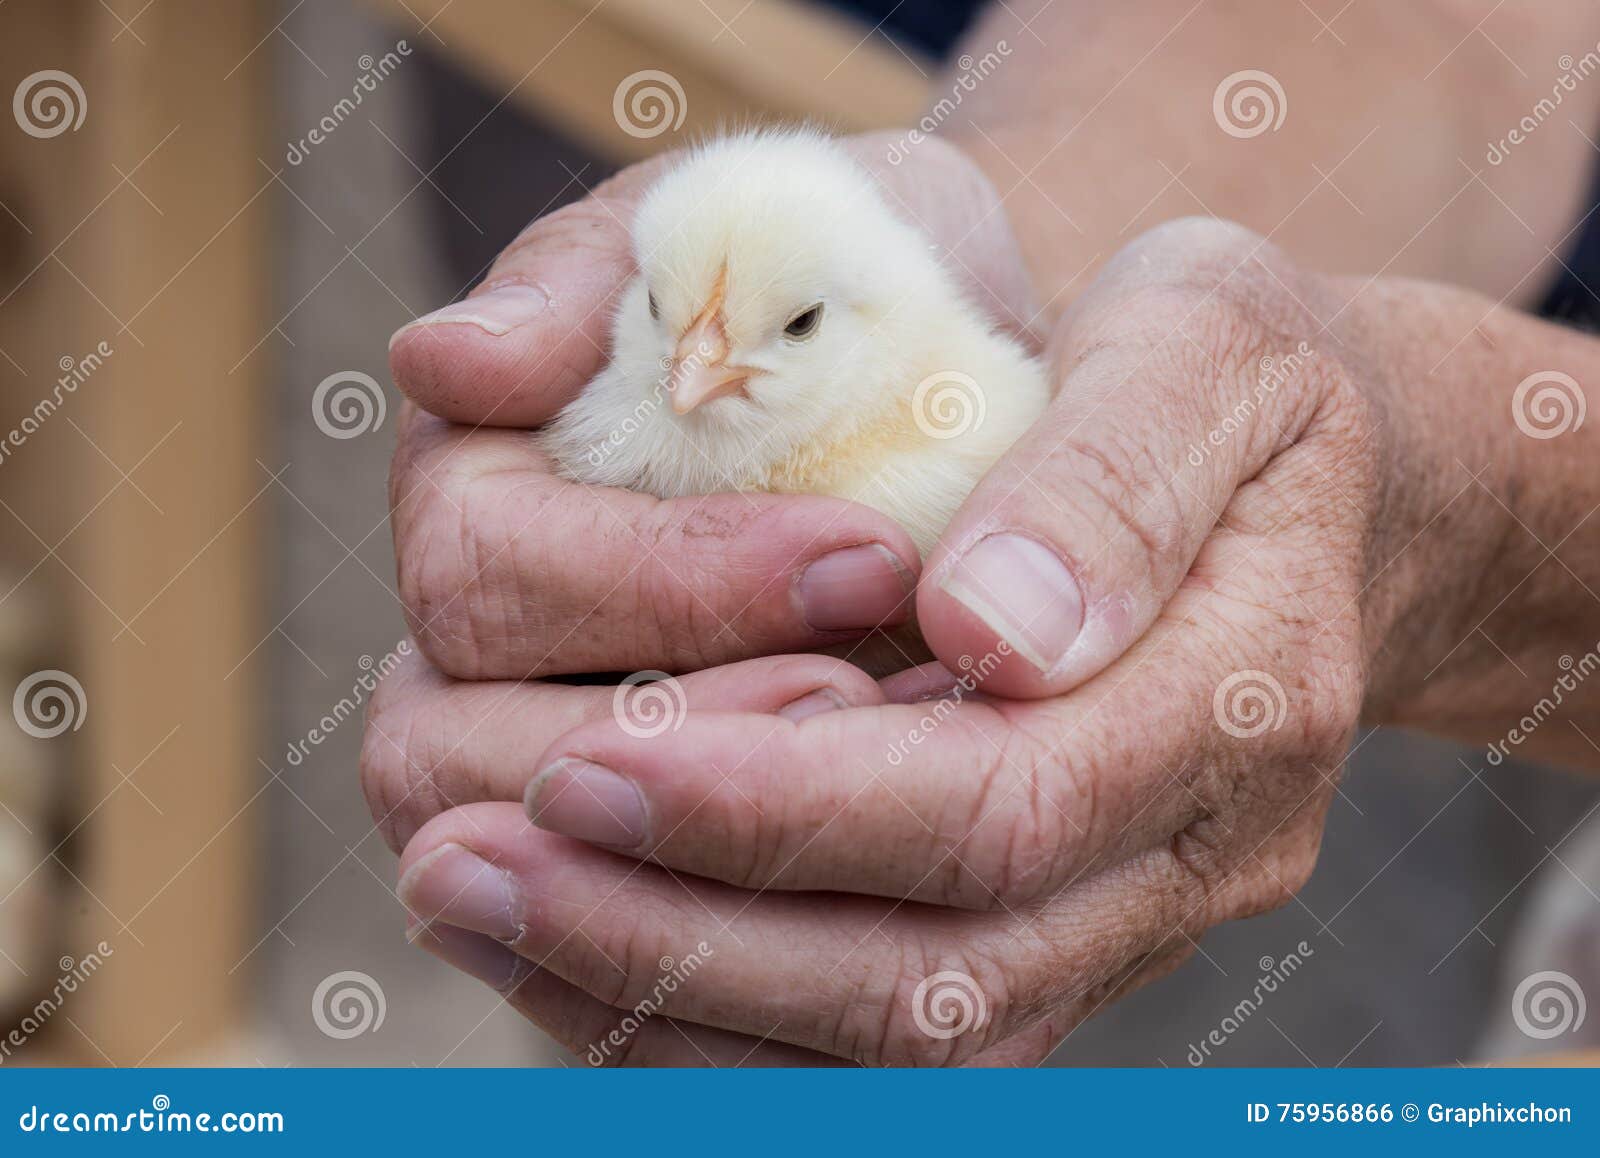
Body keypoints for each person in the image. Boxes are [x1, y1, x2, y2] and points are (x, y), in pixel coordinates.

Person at [362, 0, 1600, 1065]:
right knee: (673, 976)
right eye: (667, 320)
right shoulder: (731, 298)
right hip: (701, 56)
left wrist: (1466, 504)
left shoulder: (931, 411)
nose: (691, 373)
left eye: (782, 334)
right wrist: (1047, 225)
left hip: (1520, 320)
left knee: (1215, 941)